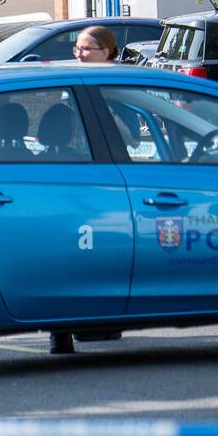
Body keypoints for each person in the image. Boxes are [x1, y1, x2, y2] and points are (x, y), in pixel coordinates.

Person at [50, 25, 123, 354]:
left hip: (106, 183)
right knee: (73, 256)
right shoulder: (69, 88)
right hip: (77, 183)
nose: (79, 54)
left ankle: (99, 324)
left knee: (105, 253)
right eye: (77, 48)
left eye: (87, 48)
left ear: (107, 52)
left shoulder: (120, 88)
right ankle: (63, 331)